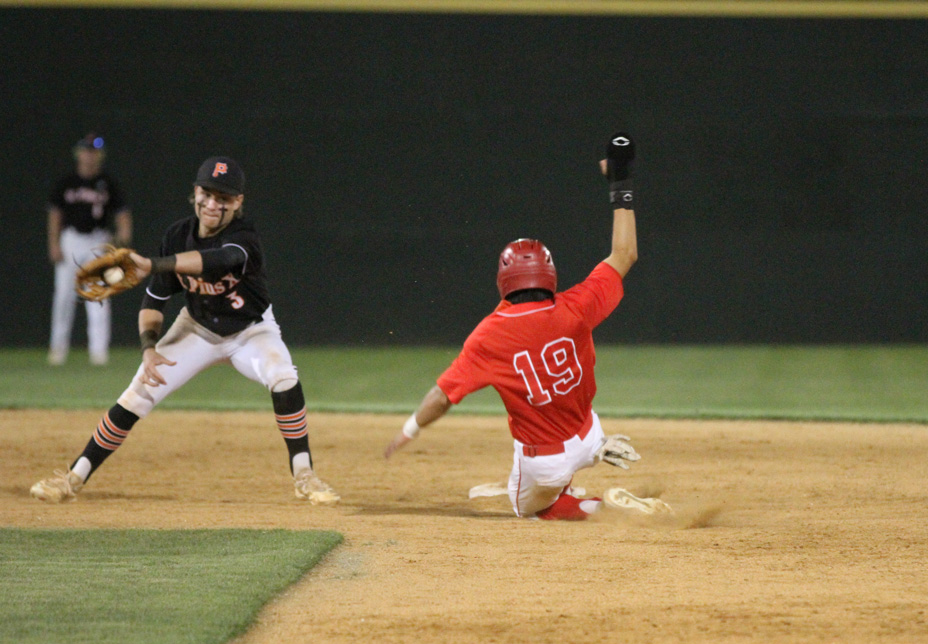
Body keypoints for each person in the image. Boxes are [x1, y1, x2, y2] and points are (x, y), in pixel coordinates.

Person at [384, 134, 672, 520]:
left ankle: (600, 506)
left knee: (529, 508)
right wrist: (621, 185)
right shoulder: (576, 307)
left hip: (546, 463)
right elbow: (625, 254)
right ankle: (582, 471)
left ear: (505, 280)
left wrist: (409, 429)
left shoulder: (488, 335)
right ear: (548, 273)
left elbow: (441, 398)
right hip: (590, 435)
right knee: (563, 454)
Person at [31, 156, 339, 506]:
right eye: (206, 193)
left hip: (251, 331)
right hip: (196, 328)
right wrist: (149, 349)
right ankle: (73, 478)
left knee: (283, 376)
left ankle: (304, 474)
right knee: (136, 394)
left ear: (237, 203)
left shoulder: (244, 236)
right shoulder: (177, 235)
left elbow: (218, 260)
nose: (212, 203)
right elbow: (153, 303)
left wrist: (153, 264)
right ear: (194, 193)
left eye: (223, 198)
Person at [47, 133, 133, 366]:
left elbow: (122, 214)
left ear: (100, 156)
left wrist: (123, 236)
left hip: (98, 239)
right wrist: (54, 243)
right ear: (79, 154)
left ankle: (98, 352)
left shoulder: (108, 183)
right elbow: (55, 215)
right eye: (86, 151)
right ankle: (57, 349)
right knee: (64, 295)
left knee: (98, 295)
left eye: (94, 152)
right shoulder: (67, 182)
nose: (89, 156)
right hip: (71, 238)